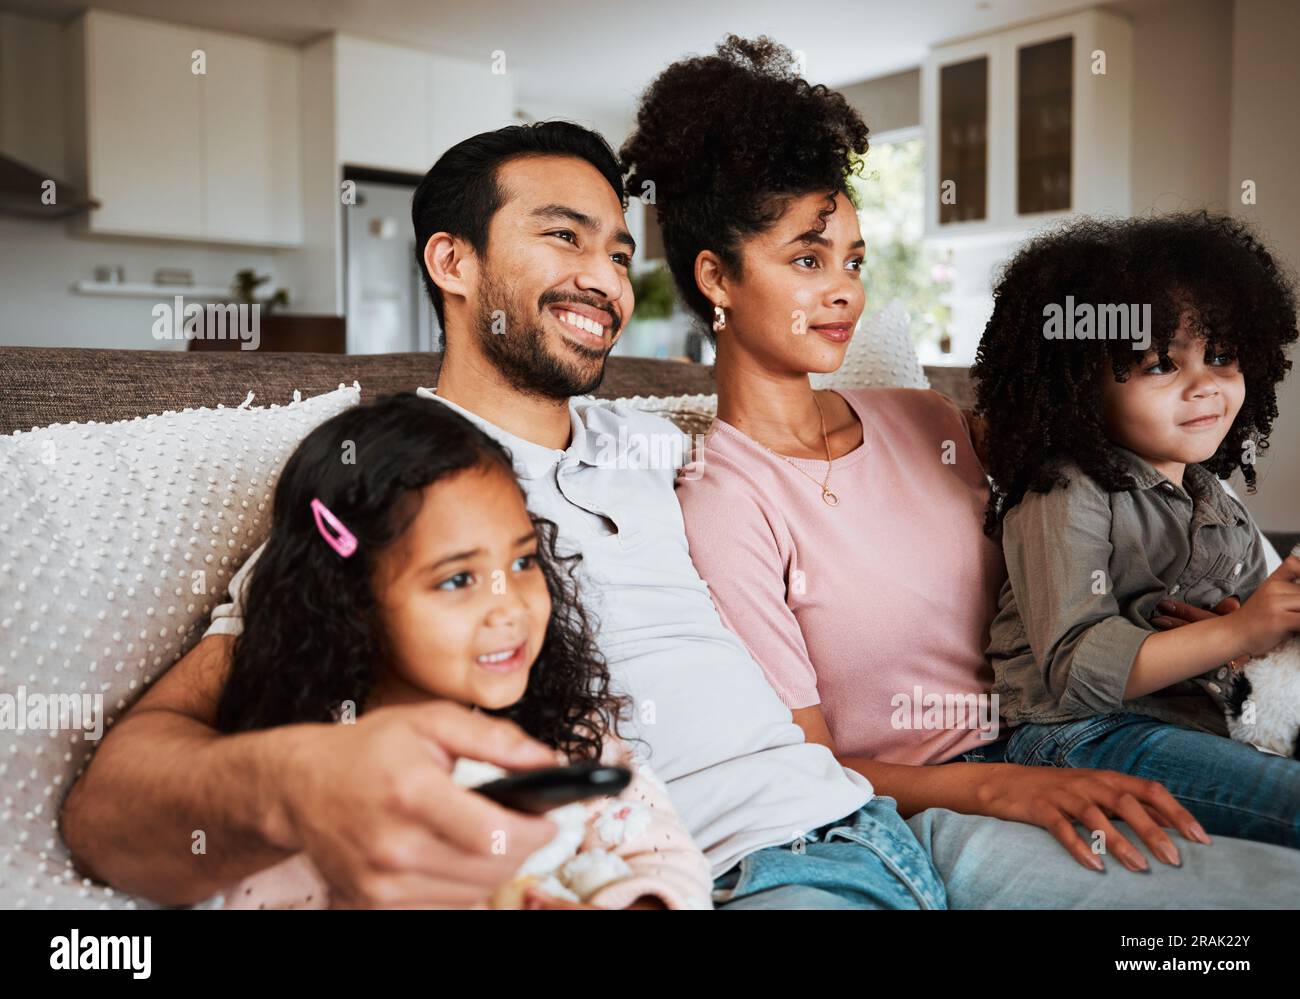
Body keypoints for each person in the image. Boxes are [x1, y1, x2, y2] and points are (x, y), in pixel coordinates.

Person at [61, 115, 1300, 910]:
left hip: (877, 817)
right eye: (562, 238)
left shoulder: (652, 444)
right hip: (750, 864)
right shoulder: (379, 478)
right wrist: (298, 778)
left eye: (614, 248)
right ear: (451, 262)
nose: (604, 276)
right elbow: (116, 798)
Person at [629, 36, 1300, 898]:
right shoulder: (725, 498)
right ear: (716, 276)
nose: (845, 290)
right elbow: (807, 760)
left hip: (1081, 732)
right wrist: (1000, 786)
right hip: (936, 809)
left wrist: (1197, 613)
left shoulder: (924, 418)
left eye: (854, 260)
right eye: (808, 259)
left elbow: (1101, 458)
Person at [210, 393, 713, 909]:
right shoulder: (322, 786)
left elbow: (666, 857)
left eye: (521, 563)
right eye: (457, 580)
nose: (510, 608)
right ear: (352, 600)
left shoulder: (567, 736)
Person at [969, 213, 1300, 846]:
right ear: (1076, 384)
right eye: (1158, 366)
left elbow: (1259, 648)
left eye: (1222, 356)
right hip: (1078, 737)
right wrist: (1239, 629)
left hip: (1199, 724)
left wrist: (1250, 635)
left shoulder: (1217, 502)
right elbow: (1075, 666)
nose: (1205, 386)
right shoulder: (1064, 493)